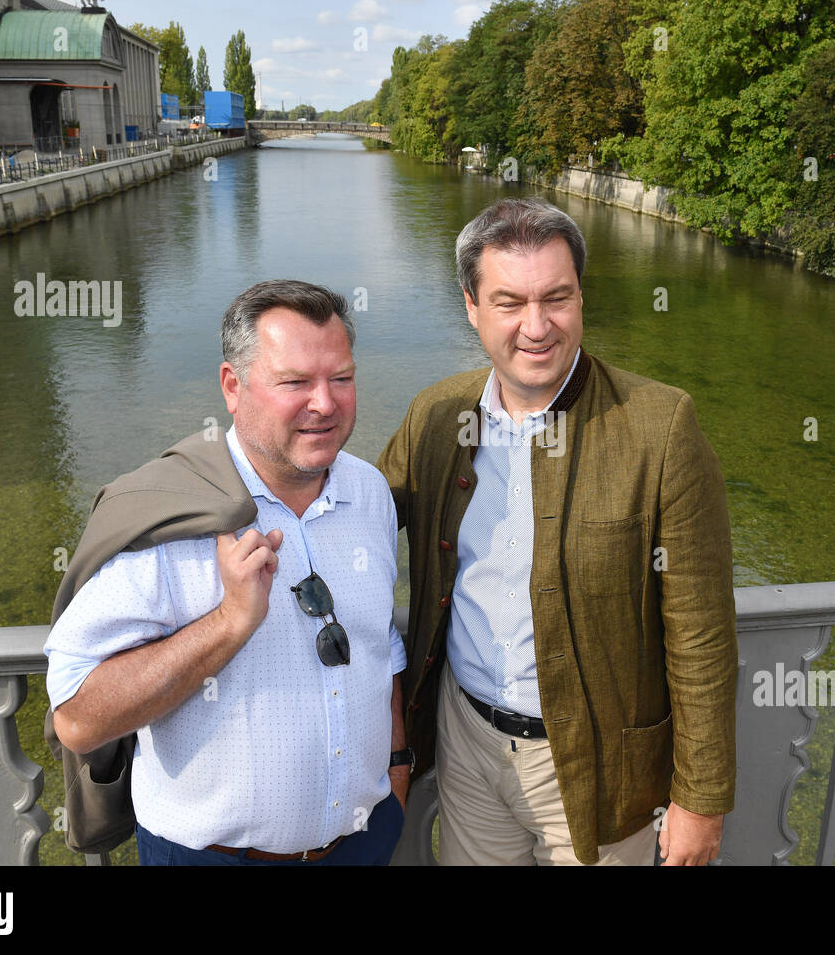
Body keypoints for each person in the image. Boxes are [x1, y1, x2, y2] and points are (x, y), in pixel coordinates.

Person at [378, 197, 737, 866]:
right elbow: (355, 519)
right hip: (468, 745)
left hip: (599, 767)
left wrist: (701, 798)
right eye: (509, 301)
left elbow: (703, 630)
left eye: (557, 298)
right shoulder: (438, 414)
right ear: (471, 307)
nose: (536, 327)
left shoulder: (660, 427)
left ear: (581, 297)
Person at [46, 279, 412, 865]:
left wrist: (397, 769)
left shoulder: (368, 491)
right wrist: (228, 623)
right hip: (210, 856)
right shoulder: (170, 519)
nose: (324, 402)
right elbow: (77, 717)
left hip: (361, 844)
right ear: (232, 387)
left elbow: (378, 642)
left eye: (340, 378)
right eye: (294, 382)